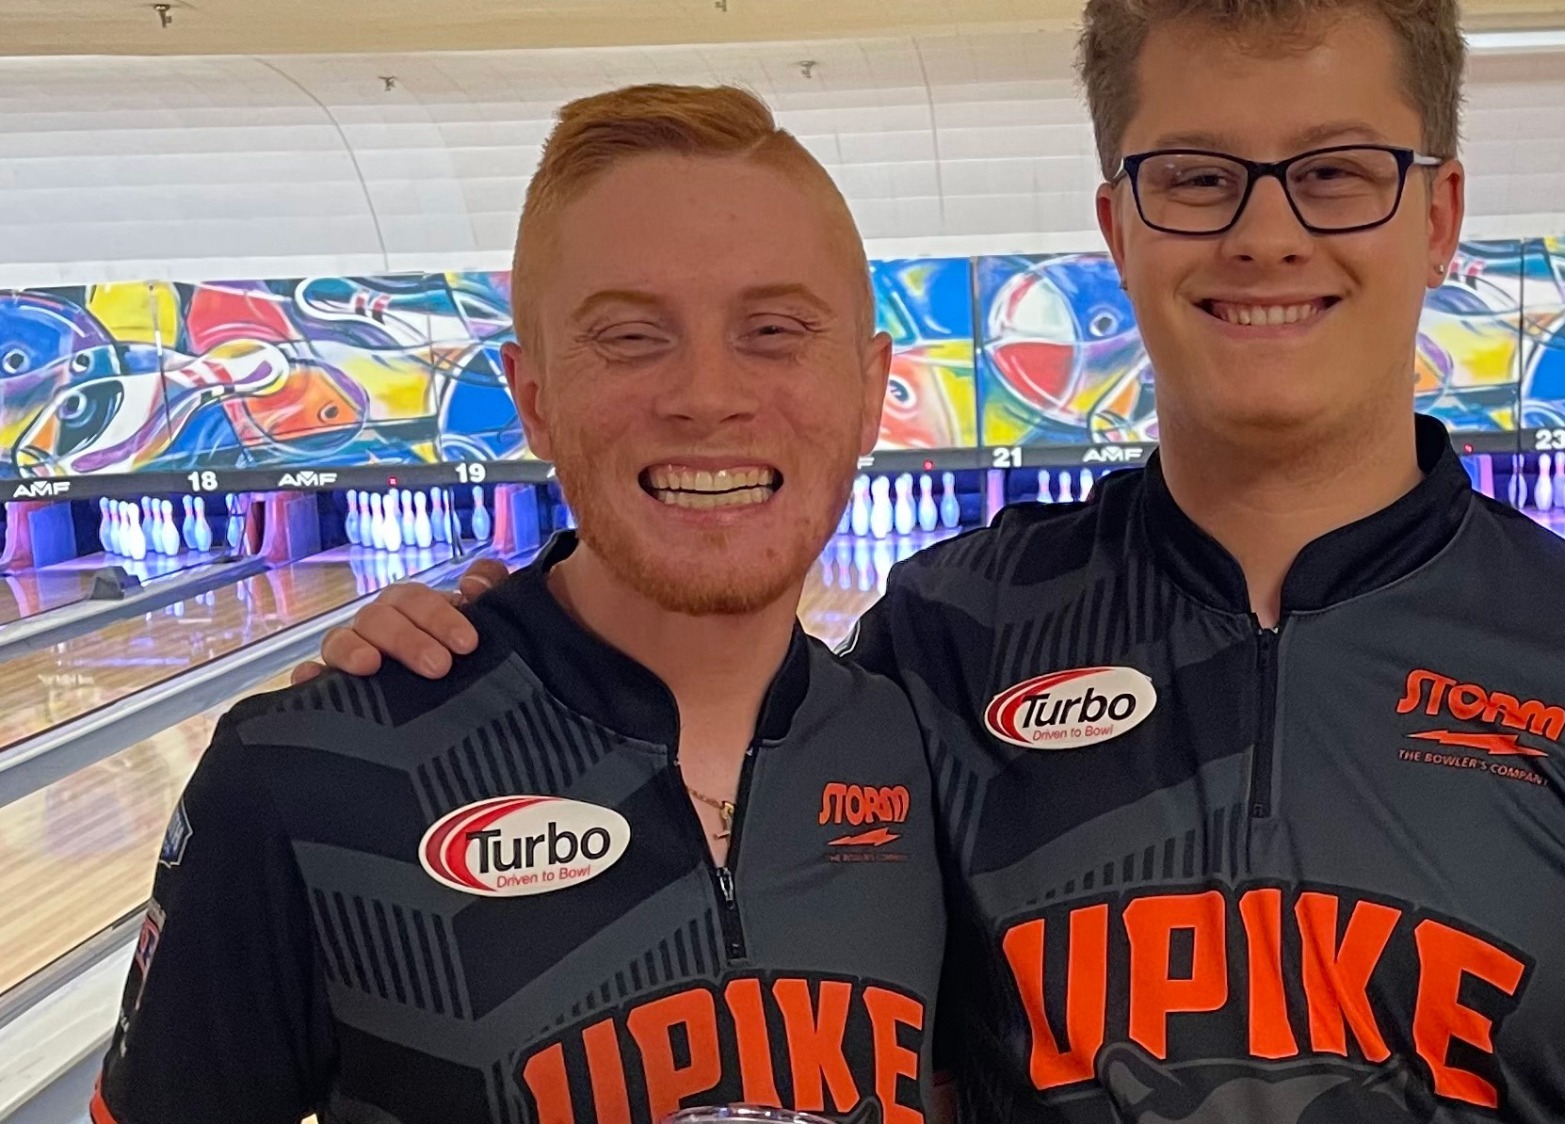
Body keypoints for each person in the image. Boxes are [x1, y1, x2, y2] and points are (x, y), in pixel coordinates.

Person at [296, 0, 1565, 1120]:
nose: (1265, 234)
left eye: (1336, 171)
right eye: (1195, 176)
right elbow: (704, 863)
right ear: (1119, 223)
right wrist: (467, 679)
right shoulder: (942, 640)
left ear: (1438, 211)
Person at [98, 85, 946, 1124]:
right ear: (533, 398)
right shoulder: (306, 778)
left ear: (869, 392)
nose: (706, 394)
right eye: (630, 337)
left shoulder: (924, 750)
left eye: (772, 329)